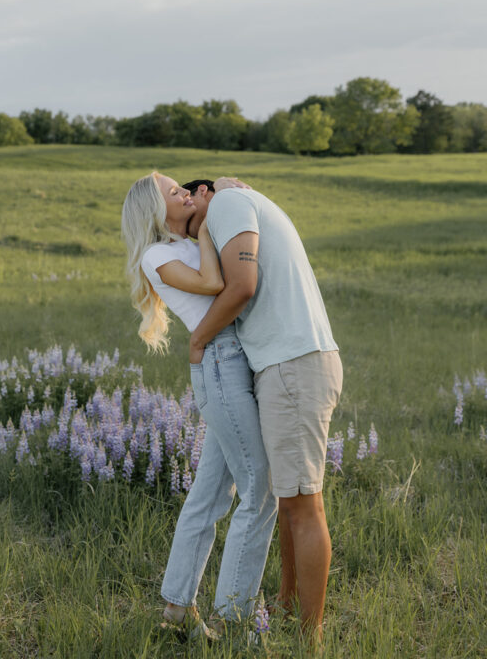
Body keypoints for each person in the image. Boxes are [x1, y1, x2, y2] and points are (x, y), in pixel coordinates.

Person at [182, 178, 343, 644]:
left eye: (190, 205)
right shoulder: (237, 204)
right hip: (291, 363)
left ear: (206, 192)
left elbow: (244, 286)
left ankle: (308, 637)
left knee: (303, 505)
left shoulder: (228, 203)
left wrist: (197, 341)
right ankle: (289, 604)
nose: (193, 230)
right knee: (293, 500)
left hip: (291, 365)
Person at [121, 172, 277, 639]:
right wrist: (209, 229)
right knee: (259, 487)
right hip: (219, 363)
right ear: (155, 211)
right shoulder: (157, 256)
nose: (186, 193)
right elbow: (214, 282)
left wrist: (230, 196)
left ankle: (175, 610)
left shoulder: (184, 241)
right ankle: (235, 618)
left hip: (232, 357)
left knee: (210, 495)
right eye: (175, 193)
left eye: (184, 188)